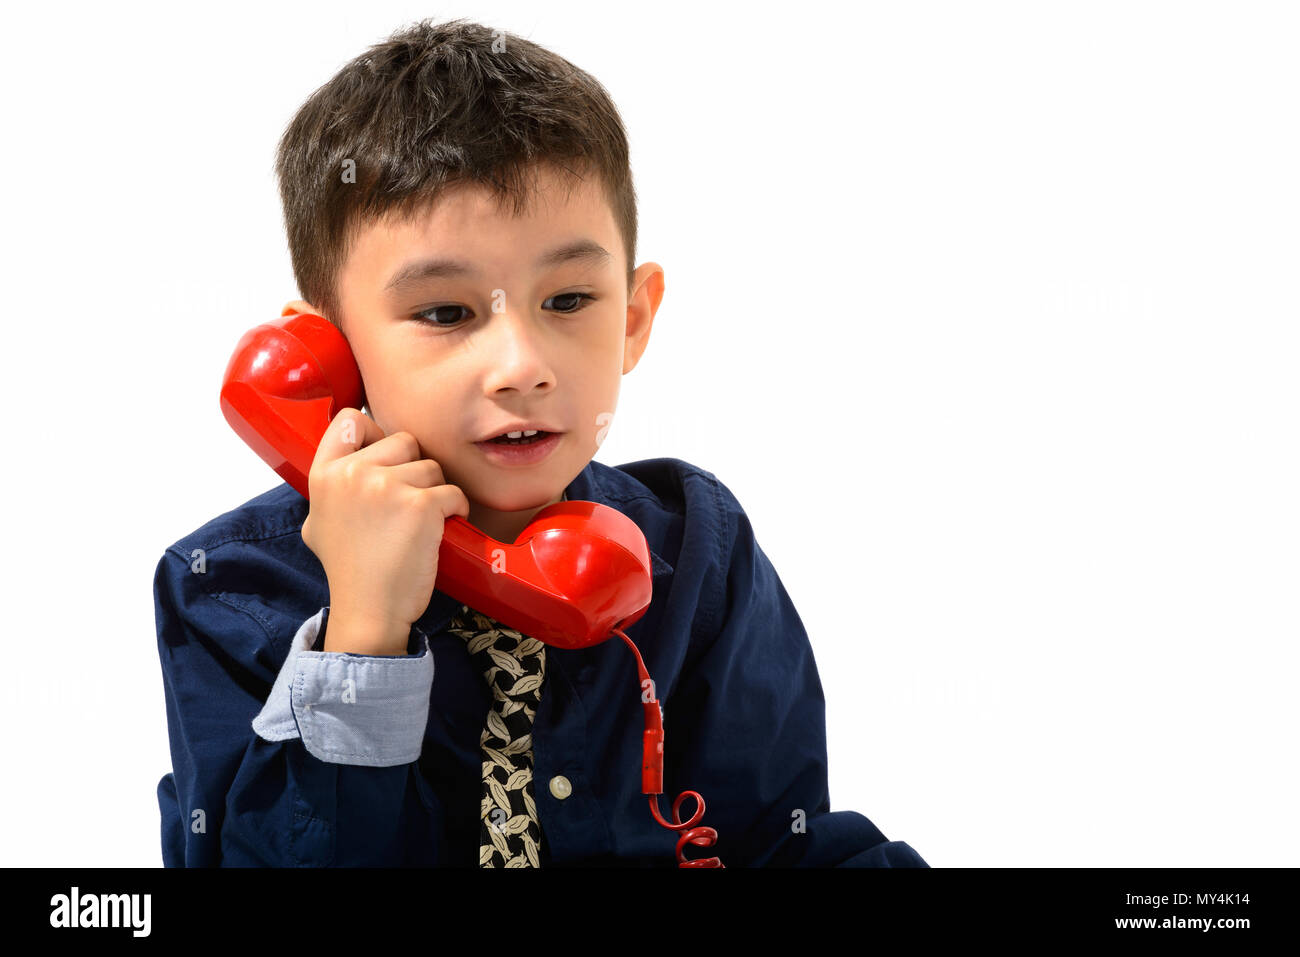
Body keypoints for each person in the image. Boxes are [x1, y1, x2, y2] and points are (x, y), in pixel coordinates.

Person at [154, 17, 928, 867]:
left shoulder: (699, 549)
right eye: (445, 312)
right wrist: (364, 632)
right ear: (332, 354)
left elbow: (786, 843)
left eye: (567, 301)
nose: (522, 366)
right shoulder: (228, 589)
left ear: (632, 319)